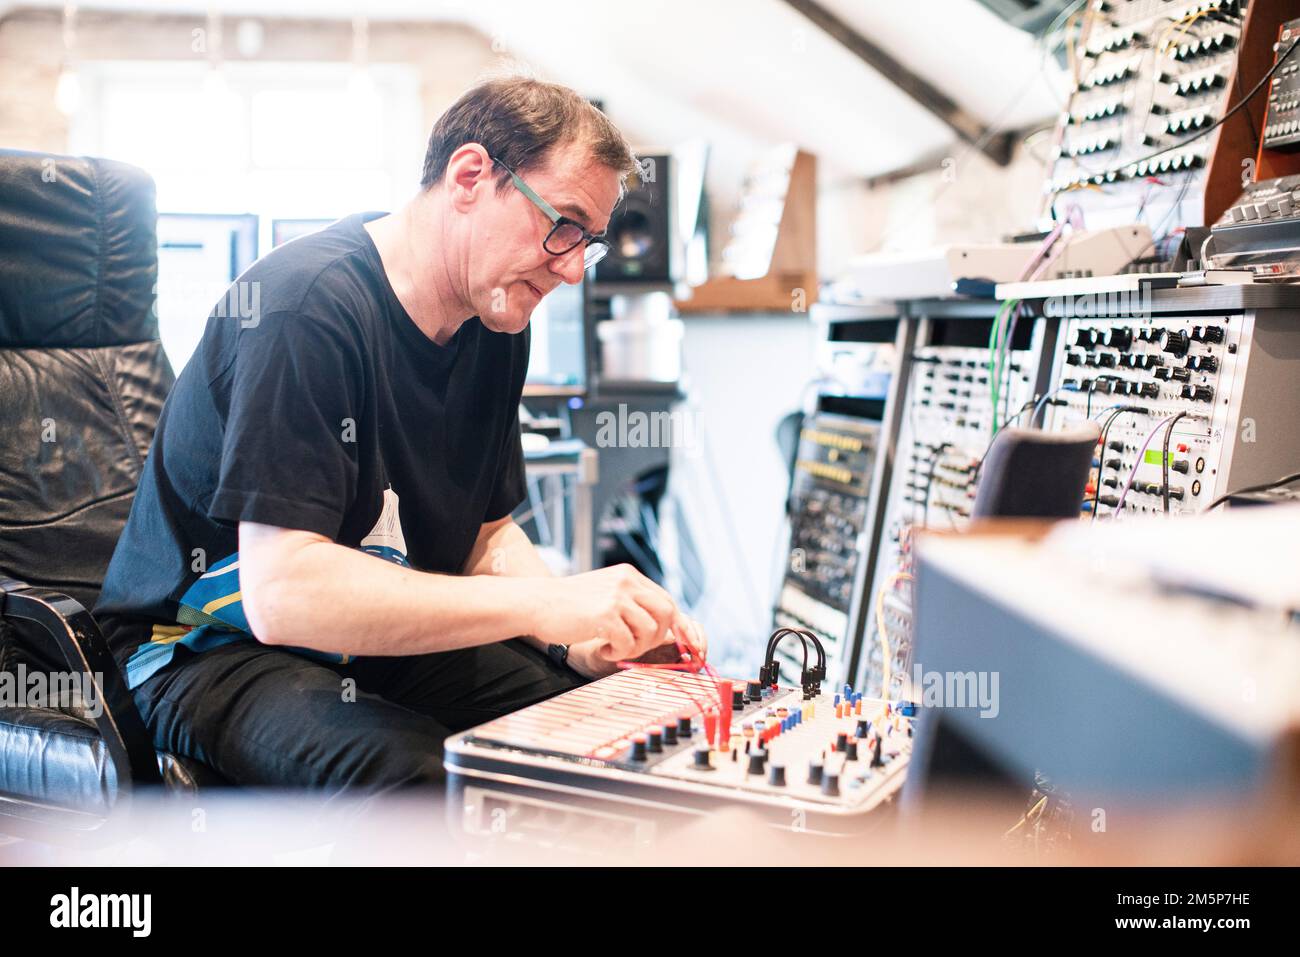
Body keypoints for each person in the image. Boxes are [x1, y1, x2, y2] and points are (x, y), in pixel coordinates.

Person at [95, 77, 707, 793]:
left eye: (589, 243)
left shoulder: (496, 318)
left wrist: (578, 638)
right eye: (564, 225)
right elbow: (285, 591)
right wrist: (549, 604)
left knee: (609, 724)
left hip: (359, 642)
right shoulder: (306, 308)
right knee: (421, 778)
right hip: (208, 648)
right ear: (471, 176)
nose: (573, 268)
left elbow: (487, 537)